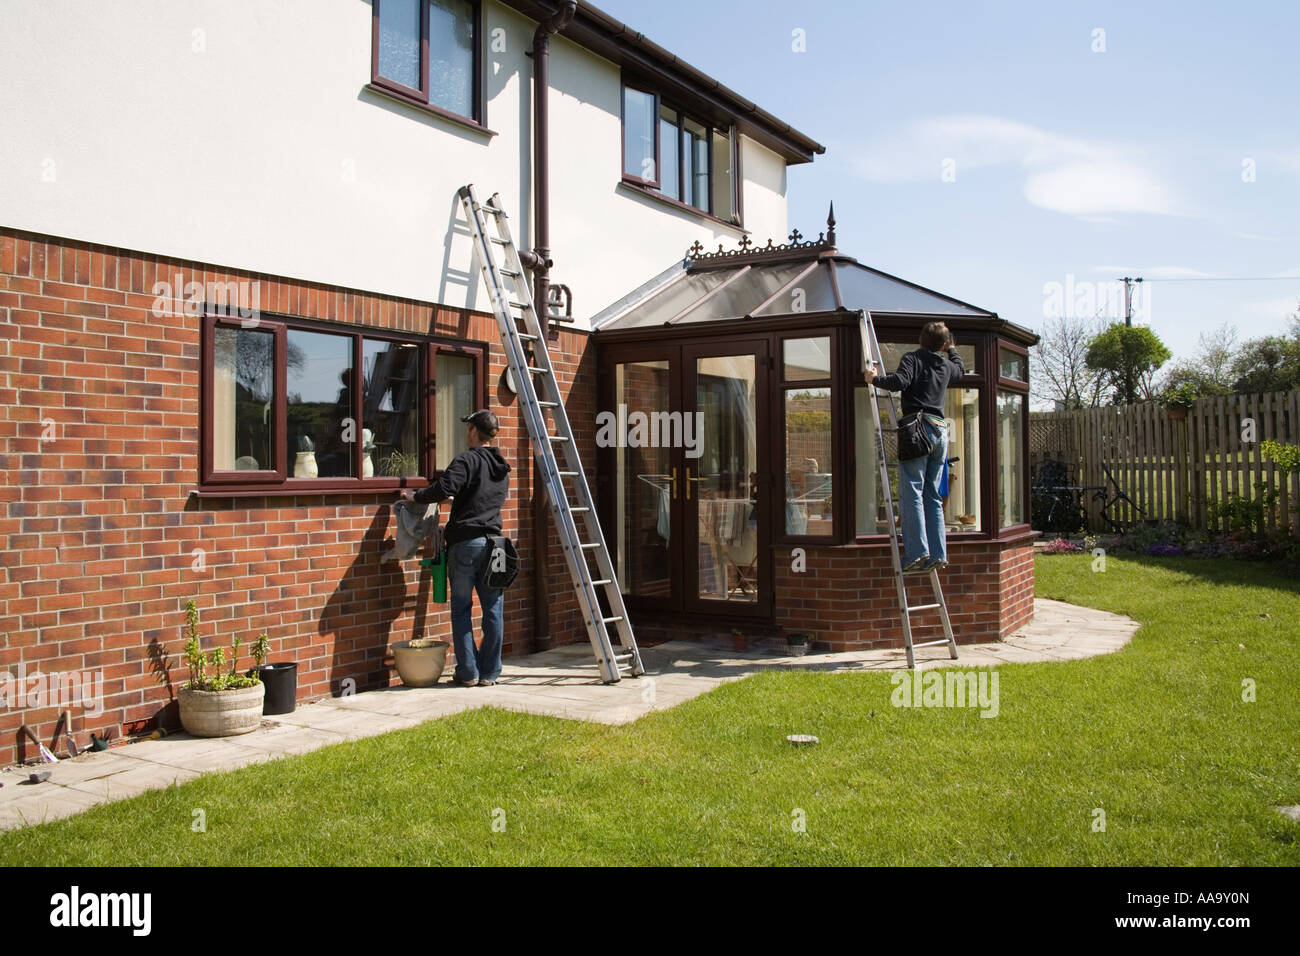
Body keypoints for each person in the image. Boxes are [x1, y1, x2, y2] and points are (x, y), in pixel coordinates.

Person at [401, 409, 511, 686]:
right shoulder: (501, 467)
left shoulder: (466, 460)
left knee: (462, 608)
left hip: (466, 544)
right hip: (495, 544)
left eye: (468, 428)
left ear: (474, 431)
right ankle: (490, 673)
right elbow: (479, 497)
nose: (466, 433)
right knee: (493, 609)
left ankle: (469, 672)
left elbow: (445, 487)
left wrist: (417, 496)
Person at [865, 322, 965, 572]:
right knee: (932, 495)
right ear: (943, 344)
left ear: (921, 339)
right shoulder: (946, 364)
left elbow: (900, 381)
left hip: (918, 430)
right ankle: (938, 553)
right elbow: (961, 370)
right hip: (940, 431)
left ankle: (917, 552)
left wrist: (874, 378)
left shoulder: (912, 358)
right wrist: (951, 349)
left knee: (912, 492)